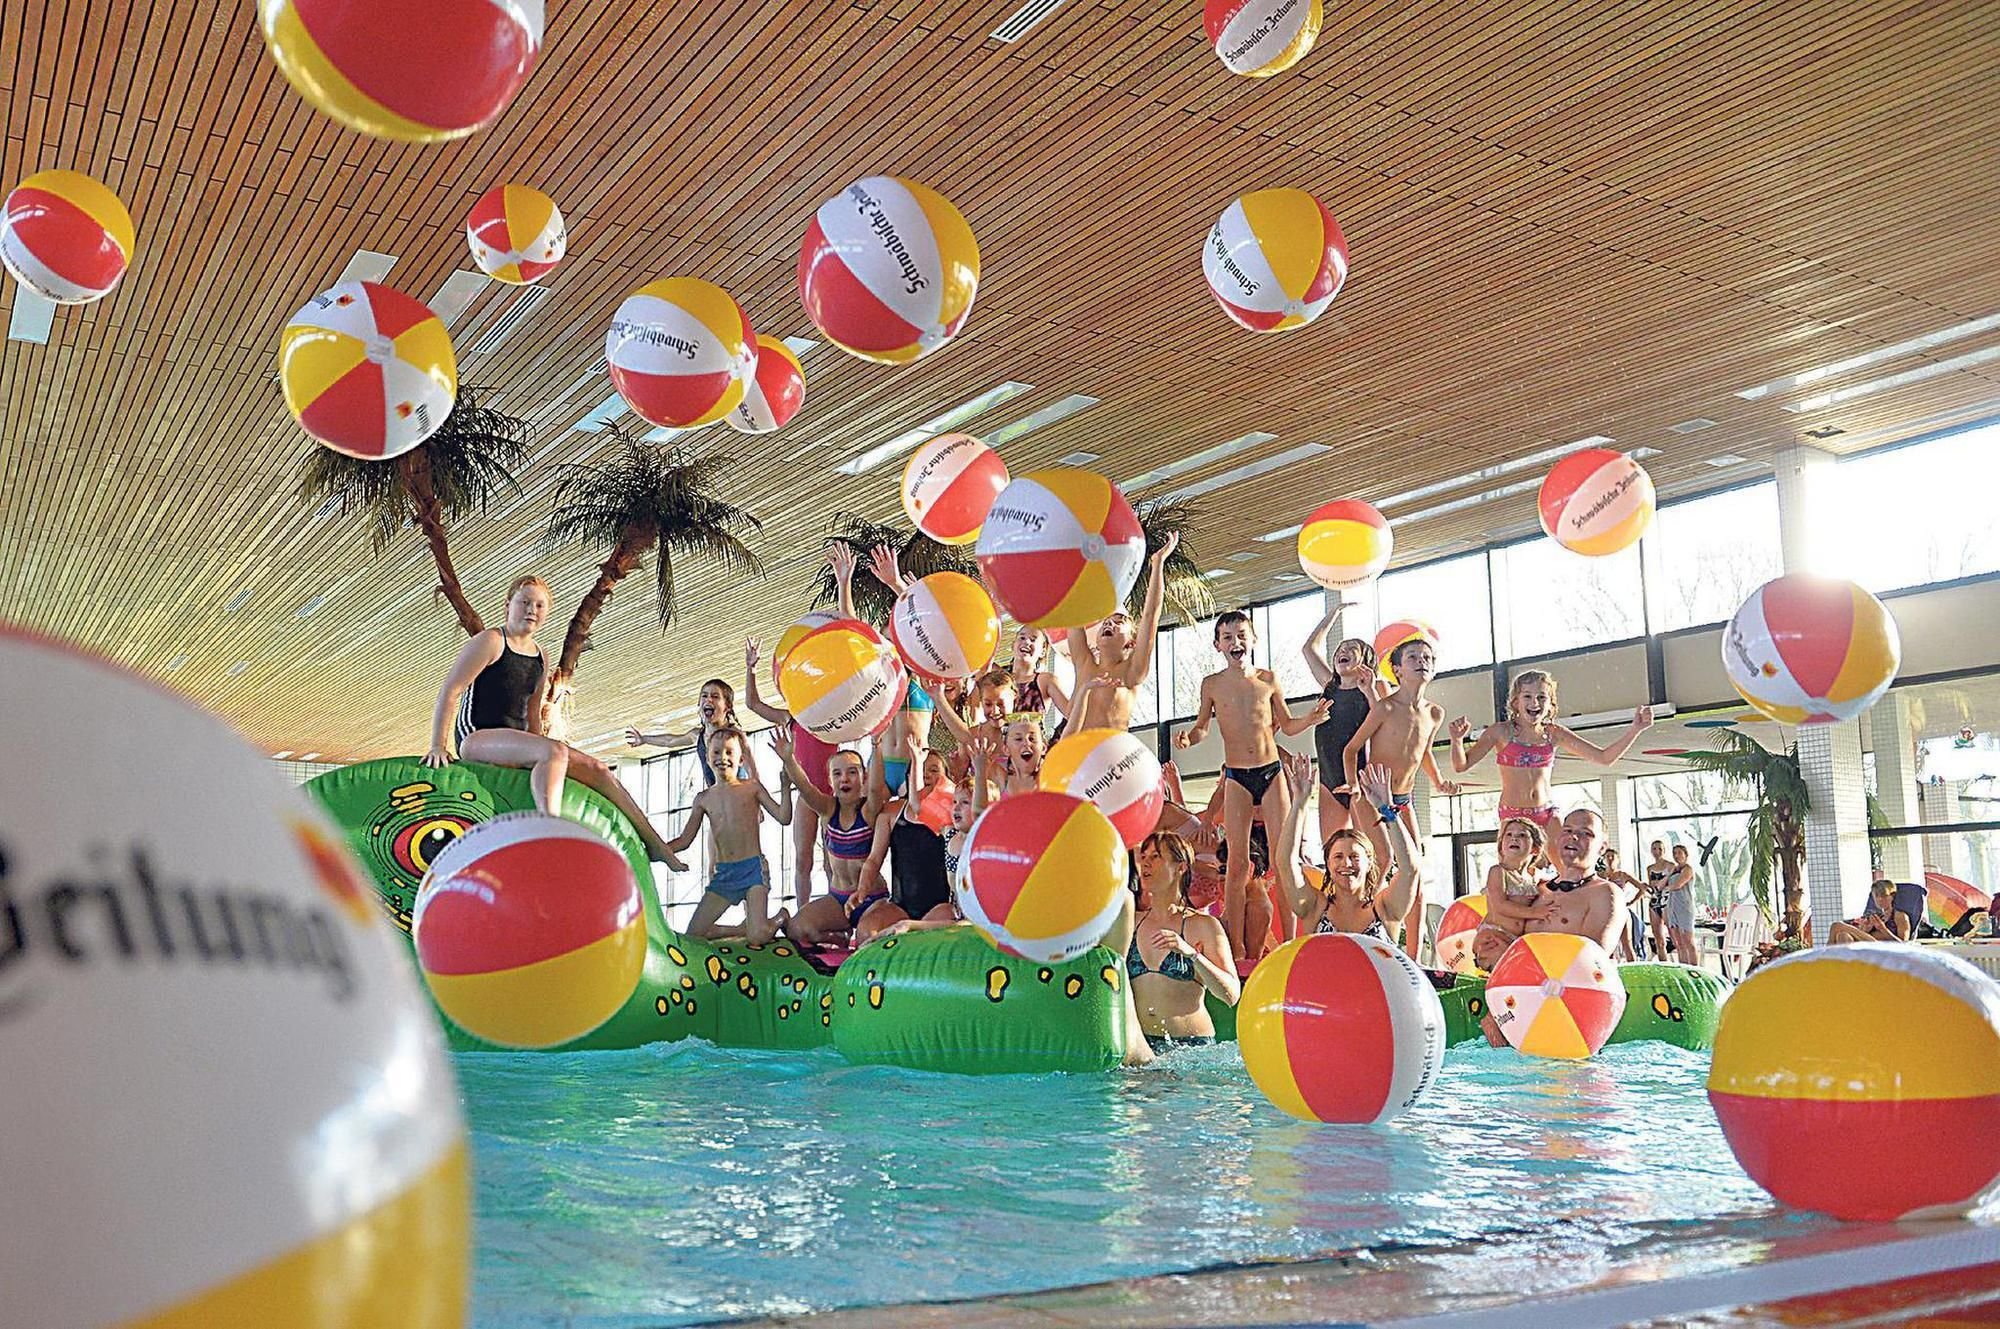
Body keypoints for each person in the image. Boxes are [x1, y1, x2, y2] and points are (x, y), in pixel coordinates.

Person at [427, 573, 681, 864]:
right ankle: (550, 828)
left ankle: (656, 845)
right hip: (477, 738)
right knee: (554, 750)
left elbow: (532, 715)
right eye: (524, 603)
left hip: (517, 741)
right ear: (507, 605)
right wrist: (437, 745)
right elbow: (450, 691)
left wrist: (546, 756)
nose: (531, 611)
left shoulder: (541, 656)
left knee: (599, 770)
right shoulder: (491, 641)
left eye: (539, 605)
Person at [1175, 609, 1331, 963]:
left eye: (1242, 635)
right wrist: (1190, 738)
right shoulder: (1212, 685)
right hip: (1236, 777)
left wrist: (1311, 718)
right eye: (1228, 637)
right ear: (1218, 645)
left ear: (1254, 640)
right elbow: (1203, 727)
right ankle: (1236, 948)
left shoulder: (1269, 680)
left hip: (1271, 771)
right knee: (1238, 865)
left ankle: (1291, 942)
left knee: (1283, 859)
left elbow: (1287, 726)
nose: (1236, 642)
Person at [1342, 635, 1457, 958]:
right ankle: (1363, 929)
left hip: (1403, 798)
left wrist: (1438, 782)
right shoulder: (1385, 707)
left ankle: (1414, 956)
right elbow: (1351, 750)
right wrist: (1353, 784)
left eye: (1427, 658)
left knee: (1416, 871)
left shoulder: (1435, 714)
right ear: (1396, 669)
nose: (1422, 661)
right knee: (1385, 859)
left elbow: (1424, 752)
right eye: (1413, 657)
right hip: (1371, 795)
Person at [1446, 671, 1653, 833]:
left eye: (1541, 697)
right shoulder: (1500, 732)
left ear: (1550, 703)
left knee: (1565, 867)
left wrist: (1635, 729)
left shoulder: (1554, 734)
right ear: (1516, 702)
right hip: (1513, 815)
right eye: (1527, 696)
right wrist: (1457, 740)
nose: (1534, 703)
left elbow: (1605, 758)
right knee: (1512, 873)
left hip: (1546, 811)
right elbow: (1461, 765)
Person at [1272, 752, 1424, 943]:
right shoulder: (1314, 908)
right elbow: (1285, 863)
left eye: (1354, 856)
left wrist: (1387, 810)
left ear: (1369, 863)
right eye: (1338, 857)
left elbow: (1410, 869)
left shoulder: (1385, 908)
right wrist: (1299, 804)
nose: (1346, 863)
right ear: (1327, 863)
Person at [663, 727, 791, 943]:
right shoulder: (703, 799)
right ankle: (742, 929)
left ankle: (780, 917)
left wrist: (785, 787)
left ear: (741, 760)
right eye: (716, 752)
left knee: (758, 937)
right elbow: (685, 840)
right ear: (707, 757)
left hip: (753, 871)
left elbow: (783, 817)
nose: (723, 757)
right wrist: (656, 849)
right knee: (693, 935)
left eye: (729, 752)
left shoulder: (752, 788)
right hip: (725, 875)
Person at [740, 638, 833, 906]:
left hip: (829, 795)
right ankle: (803, 911)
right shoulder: (792, 718)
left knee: (831, 861)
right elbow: (753, 704)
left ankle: (835, 911)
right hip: (805, 794)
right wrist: (751, 669)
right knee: (802, 858)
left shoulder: (832, 717)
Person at [771, 736, 887, 948]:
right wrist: (789, 760)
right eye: (837, 773)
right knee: (797, 929)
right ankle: (835, 937)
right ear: (830, 781)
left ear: (864, 777)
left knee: (866, 939)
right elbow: (806, 788)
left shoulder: (868, 811)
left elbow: (876, 790)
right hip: (837, 898)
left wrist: (876, 745)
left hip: (871, 899)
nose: (845, 778)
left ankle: (856, 932)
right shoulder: (827, 809)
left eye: (853, 772)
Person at [1128, 831, 1239, 1052]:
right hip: (1141, 1049)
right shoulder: (1130, 922)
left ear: (1181, 867)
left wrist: (1191, 954)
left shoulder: (1203, 925)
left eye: (1156, 856)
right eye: (1144, 857)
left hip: (1190, 1049)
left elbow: (1231, 995)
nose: (1146, 863)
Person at [1068, 534, 1178, 732]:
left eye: (1119, 622)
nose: (1109, 623)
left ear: (1131, 643)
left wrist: (1158, 563)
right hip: (1077, 756)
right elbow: (1073, 611)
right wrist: (1078, 562)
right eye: (1107, 621)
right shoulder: (1084, 664)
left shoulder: (1132, 671)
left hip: (1112, 755)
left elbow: (1150, 616)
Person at [1301, 611, 1388, 850]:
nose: (1343, 651)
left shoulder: (1377, 686)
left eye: (1351, 648)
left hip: (1361, 779)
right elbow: (1309, 649)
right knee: (1333, 849)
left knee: (1369, 852)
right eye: (1340, 649)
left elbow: (1386, 721)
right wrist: (1333, 615)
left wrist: (1369, 690)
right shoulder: (1329, 686)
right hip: (1330, 779)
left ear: (1366, 660)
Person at [1470, 817, 1552, 973]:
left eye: (1522, 835)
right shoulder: (1498, 872)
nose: (1514, 837)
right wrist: (1534, 913)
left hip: (1513, 939)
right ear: (1501, 847)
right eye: (1509, 834)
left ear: (1535, 849)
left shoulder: (1533, 876)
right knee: (1502, 972)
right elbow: (1500, 906)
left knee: (1520, 972)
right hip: (1494, 934)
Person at [626, 677, 744, 786]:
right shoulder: (698, 735)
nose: (708, 699)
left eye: (715, 696)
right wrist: (644, 739)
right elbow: (670, 741)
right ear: (699, 704)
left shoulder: (735, 736)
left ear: (727, 706)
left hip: (738, 795)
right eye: (704, 696)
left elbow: (750, 767)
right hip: (716, 798)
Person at [1829, 877, 1914, 943]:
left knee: (1836, 925)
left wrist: (1883, 929)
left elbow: (1903, 945)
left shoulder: (1900, 916)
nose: (1880, 899)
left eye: (1884, 896)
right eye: (1876, 896)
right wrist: (1865, 930)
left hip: (1884, 949)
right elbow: (1864, 936)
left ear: (1892, 895)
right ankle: (1846, 964)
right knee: (1843, 935)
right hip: (1869, 948)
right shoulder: (1875, 916)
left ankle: (1823, 957)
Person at [1597, 847, 1645, 961]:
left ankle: (1633, 971)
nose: (1610, 859)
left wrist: (1632, 902)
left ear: (1617, 859)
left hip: (1621, 911)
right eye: (1607, 856)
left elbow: (1642, 888)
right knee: (1607, 944)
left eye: (1612, 857)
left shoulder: (1622, 875)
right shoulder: (1600, 875)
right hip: (1605, 911)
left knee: (1627, 943)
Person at [1660, 842, 1698, 962]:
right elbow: (1660, 885)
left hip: (1685, 907)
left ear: (1685, 855)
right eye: (1674, 853)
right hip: (1672, 906)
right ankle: (1684, 968)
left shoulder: (1688, 869)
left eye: (1679, 853)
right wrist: (1671, 872)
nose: (1676, 856)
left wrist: (1666, 888)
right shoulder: (1674, 870)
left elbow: (1678, 884)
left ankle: (1695, 970)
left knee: (1688, 941)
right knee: (1678, 942)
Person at [1643, 839, 1674, 961]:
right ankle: (1664, 964)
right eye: (1654, 849)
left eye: (1660, 849)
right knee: (1658, 938)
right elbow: (1652, 886)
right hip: (1654, 901)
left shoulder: (1670, 866)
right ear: (1651, 851)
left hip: (1666, 901)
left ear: (1664, 850)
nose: (1657, 851)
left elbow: (1668, 883)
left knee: (1673, 935)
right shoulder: (1649, 868)